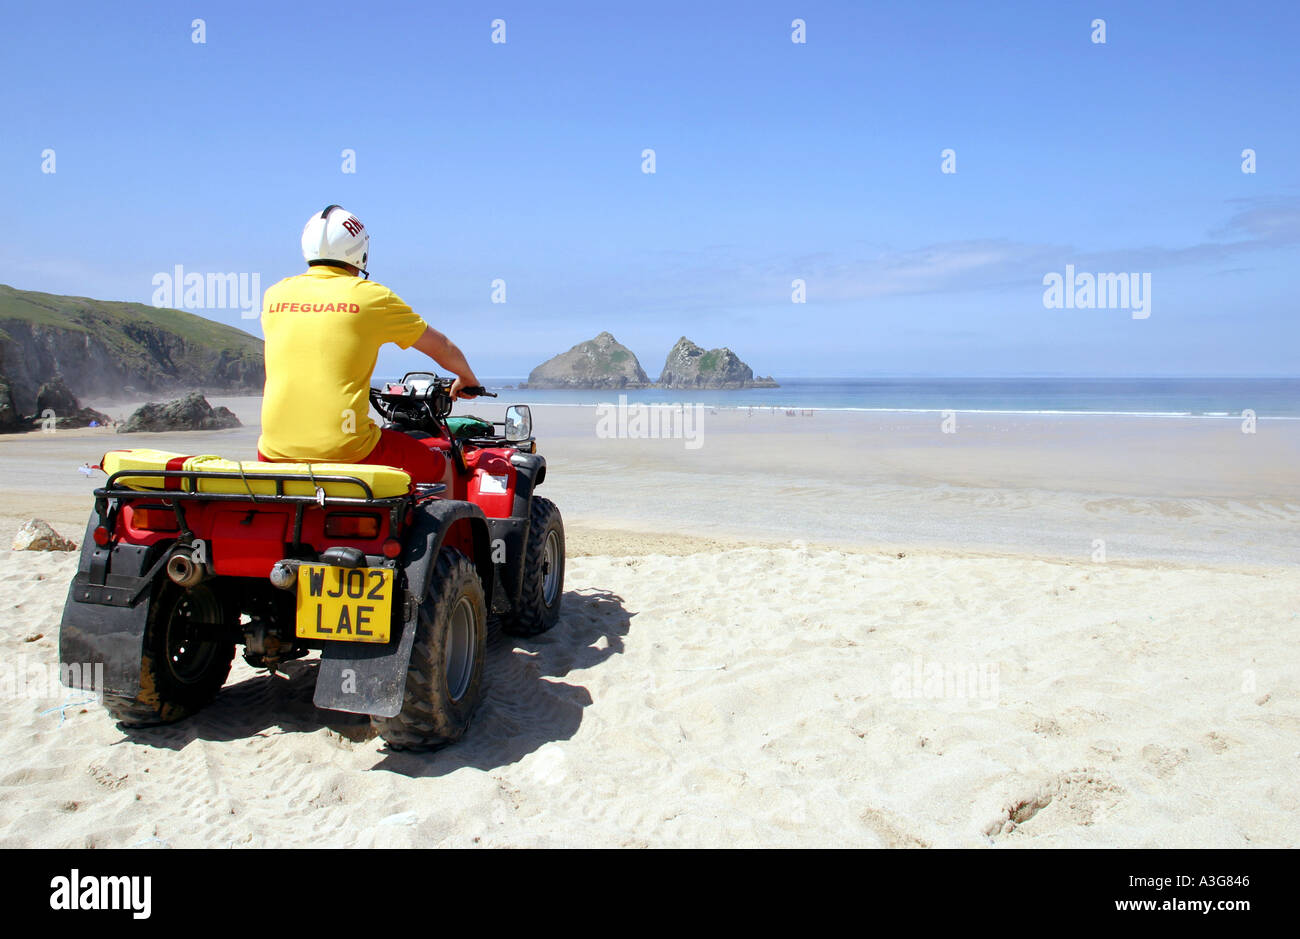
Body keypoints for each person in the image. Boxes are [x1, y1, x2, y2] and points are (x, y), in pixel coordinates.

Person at [256, 205, 482, 483]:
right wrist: (467, 378)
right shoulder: (372, 298)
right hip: (348, 449)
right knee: (439, 462)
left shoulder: (274, 295)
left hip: (272, 451)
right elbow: (442, 346)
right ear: (361, 251)